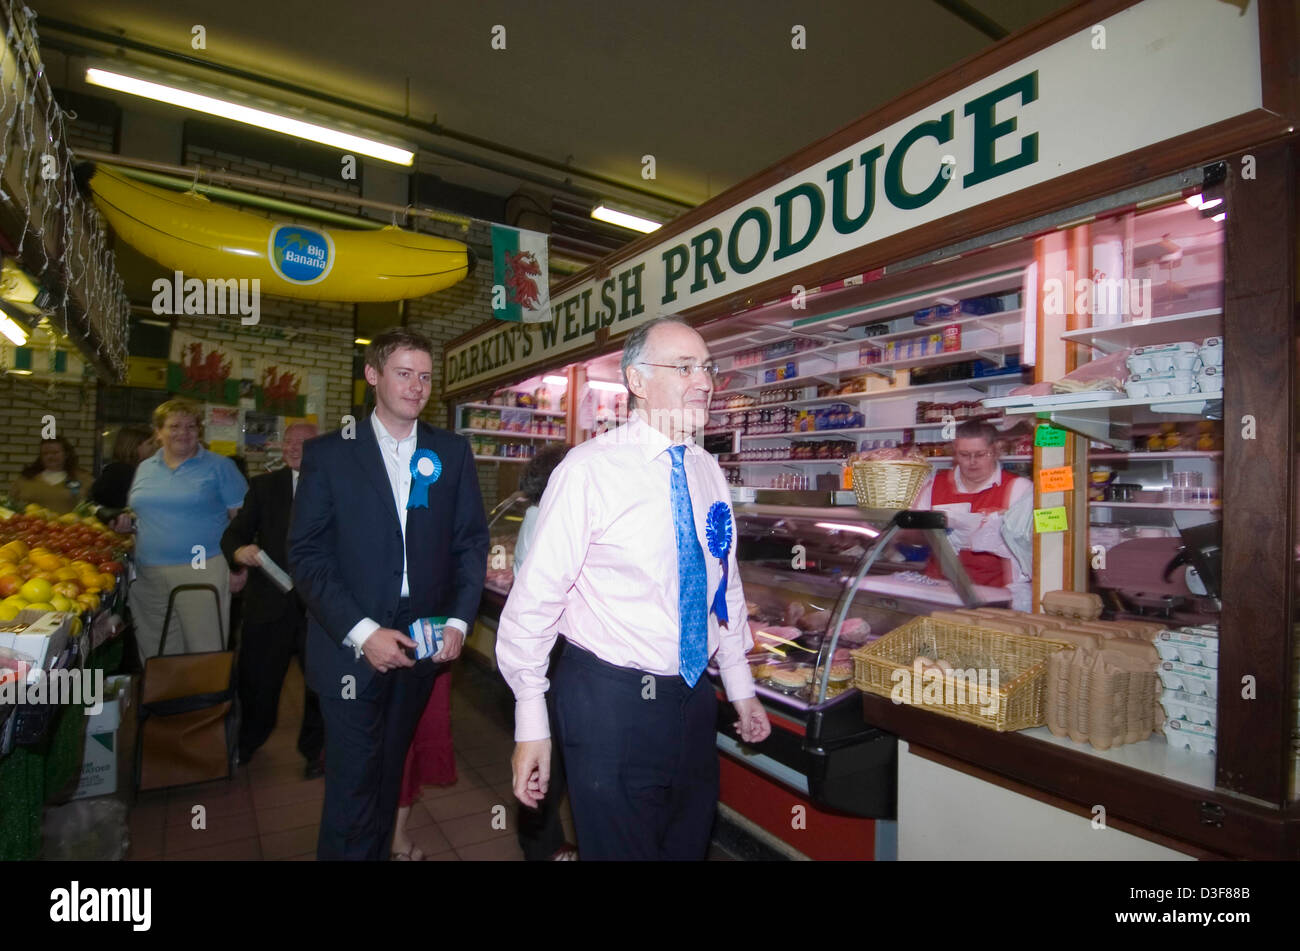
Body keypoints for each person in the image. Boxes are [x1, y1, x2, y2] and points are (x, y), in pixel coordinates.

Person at [497, 315, 771, 861]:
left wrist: (739, 685)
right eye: (685, 367)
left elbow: (725, 584)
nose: (705, 381)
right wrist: (532, 721)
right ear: (637, 381)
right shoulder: (589, 470)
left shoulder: (708, 470)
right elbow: (536, 600)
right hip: (610, 701)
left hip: (694, 697)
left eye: (708, 368)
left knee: (686, 843)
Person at [288, 328, 489, 862]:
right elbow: (306, 555)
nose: (417, 386)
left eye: (425, 376)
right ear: (373, 375)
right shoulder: (330, 454)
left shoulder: (452, 451)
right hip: (350, 642)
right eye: (404, 373)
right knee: (352, 783)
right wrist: (362, 633)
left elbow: (471, 544)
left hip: (422, 643)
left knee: (387, 776)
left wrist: (459, 623)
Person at [221, 422, 325, 778]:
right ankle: (247, 742)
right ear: (282, 448)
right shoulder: (264, 486)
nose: (296, 448)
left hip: (320, 607)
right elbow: (234, 533)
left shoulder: (337, 487)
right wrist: (239, 552)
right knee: (257, 680)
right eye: (290, 442)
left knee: (320, 684)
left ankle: (316, 751)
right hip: (269, 603)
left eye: (306, 443)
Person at [118, 399, 249, 664]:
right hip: (148, 573)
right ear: (158, 432)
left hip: (201, 567)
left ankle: (205, 704)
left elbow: (242, 520)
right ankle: (166, 704)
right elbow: (145, 510)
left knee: (203, 648)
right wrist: (127, 521)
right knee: (156, 649)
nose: (183, 432)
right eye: (174, 426)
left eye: (191, 426)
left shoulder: (220, 467)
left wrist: (238, 567)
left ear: (199, 431)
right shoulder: (146, 468)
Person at [510, 443, 578, 861]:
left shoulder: (538, 514)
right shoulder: (545, 517)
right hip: (551, 651)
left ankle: (542, 839)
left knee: (551, 753)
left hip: (551, 648)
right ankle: (541, 844)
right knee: (547, 754)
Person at [912, 419, 1033, 610]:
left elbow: (1037, 543)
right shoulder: (934, 484)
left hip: (997, 595)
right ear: (954, 451)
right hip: (940, 591)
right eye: (964, 454)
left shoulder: (1019, 488)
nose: (972, 462)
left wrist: (1005, 525)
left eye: (980, 454)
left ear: (997, 449)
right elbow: (911, 535)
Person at [10, 436, 90, 514]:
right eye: (45, 453)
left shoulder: (83, 478)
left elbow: (93, 506)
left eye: (55, 453)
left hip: (70, 527)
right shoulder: (26, 478)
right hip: (32, 526)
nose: (50, 456)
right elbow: (10, 505)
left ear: (66, 454)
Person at [90, 425, 154, 511]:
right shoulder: (120, 471)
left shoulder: (136, 470)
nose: (154, 447)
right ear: (134, 446)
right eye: (150, 443)